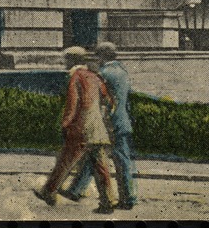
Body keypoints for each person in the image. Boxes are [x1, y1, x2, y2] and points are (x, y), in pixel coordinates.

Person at [33, 46, 115, 213]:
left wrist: (65, 124)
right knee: (101, 165)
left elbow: (72, 104)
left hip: (81, 129)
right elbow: (109, 101)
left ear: (72, 60)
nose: (64, 63)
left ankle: (48, 191)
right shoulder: (95, 77)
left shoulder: (76, 77)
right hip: (98, 129)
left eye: (66, 59)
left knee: (65, 161)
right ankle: (108, 201)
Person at [61, 41, 137, 210]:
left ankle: (79, 190)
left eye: (97, 56)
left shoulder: (103, 74)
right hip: (122, 122)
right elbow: (127, 101)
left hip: (108, 124)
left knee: (98, 157)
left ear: (101, 56)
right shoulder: (123, 72)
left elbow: (99, 102)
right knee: (119, 160)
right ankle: (128, 197)